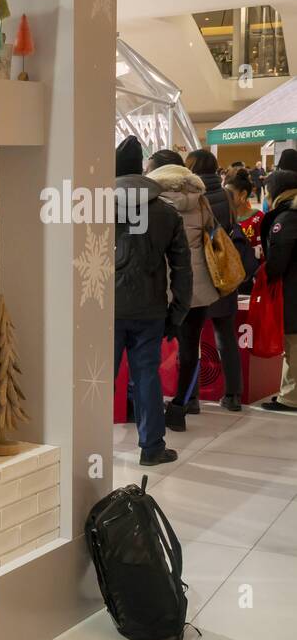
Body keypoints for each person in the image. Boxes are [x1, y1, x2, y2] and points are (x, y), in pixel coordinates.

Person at [114, 136, 192, 464]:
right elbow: (182, 268)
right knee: (146, 374)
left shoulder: (94, 207)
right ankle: (152, 447)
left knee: (98, 377)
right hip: (151, 309)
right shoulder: (166, 213)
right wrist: (178, 314)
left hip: (107, 309)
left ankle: (85, 447)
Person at [148, 158, 219, 430]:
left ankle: (149, 405)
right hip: (198, 286)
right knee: (191, 347)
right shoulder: (200, 199)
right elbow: (212, 232)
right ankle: (183, 404)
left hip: (162, 286)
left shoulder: (154, 200)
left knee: (150, 348)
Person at [185, 149, 245, 411]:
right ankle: (233, 395)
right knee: (226, 335)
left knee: (191, 340)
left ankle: (192, 397)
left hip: (199, 275)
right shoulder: (227, 195)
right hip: (223, 274)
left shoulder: (192, 197)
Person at [260, 170, 297, 411]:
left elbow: (278, 260)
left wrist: (266, 273)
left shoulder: (287, 218)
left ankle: (291, 397)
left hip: (293, 288)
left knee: (293, 344)